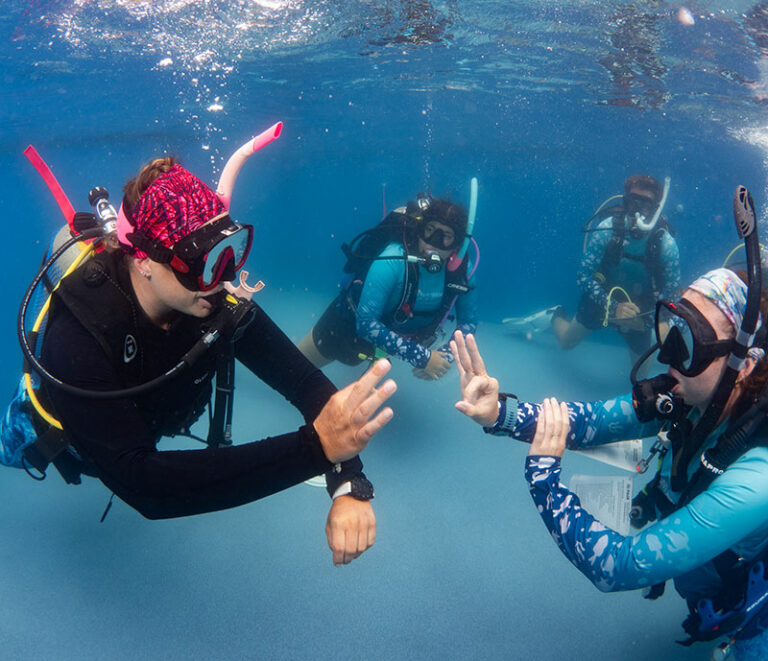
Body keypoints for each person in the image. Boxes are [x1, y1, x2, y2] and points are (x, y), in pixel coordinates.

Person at [6, 157, 398, 566]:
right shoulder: (77, 338)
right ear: (143, 259)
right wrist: (317, 451)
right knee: (11, 447)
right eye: (200, 264)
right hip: (65, 436)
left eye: (229, 253)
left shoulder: (209, 301)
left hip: (145, 422)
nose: (220, 278)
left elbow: (305, 384)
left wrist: (347, 479)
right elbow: (145, 486)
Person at [450, 262, 768, 657]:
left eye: (694, 342)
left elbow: (619, 566)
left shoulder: (759, 477)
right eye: (675, 328)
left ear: (746, 362)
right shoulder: (692, 389)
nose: (670, 356)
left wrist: (544, 481)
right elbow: (592, 422)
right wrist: (499, 412)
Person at [298, 193, 478, 381]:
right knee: (295, 368)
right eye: (430, 230)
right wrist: (422, 357)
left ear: (457, 245)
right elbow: (366, 323)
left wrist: (445, 357)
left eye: (446, 236)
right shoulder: (392, 259)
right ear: (420, 230)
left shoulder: (461, 270)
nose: (434, 241)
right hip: (341, 329)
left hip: (385, 344)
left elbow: (468, 323)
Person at [506, 174, 680, 365]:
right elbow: (583, 276)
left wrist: (648, 319)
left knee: (640, 375)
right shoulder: (607, 229)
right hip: (602, 299)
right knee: (566, 342)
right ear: (625, 202)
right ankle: (555, 314)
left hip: (639, 309)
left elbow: (671, 294)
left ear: (656, 209)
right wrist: (613, 307)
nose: (638, 210)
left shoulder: (666, 245)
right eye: (633, 202)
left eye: (645, 204)